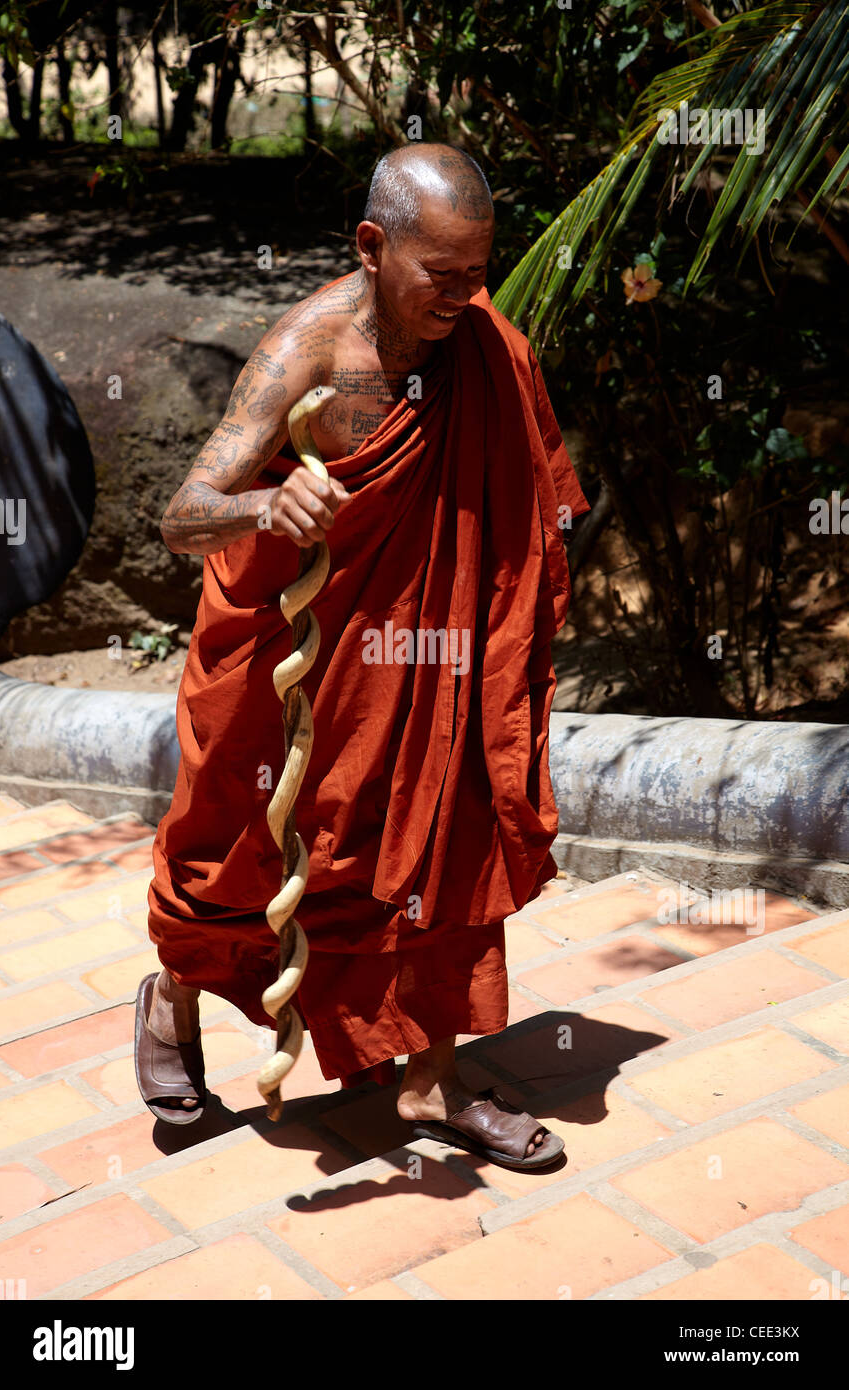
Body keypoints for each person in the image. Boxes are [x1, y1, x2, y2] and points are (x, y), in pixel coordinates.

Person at [134, 142, 588, 1171]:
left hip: (423, 664)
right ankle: (173, 996)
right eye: (441, 274)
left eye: (480, 272)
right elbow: (183, 515)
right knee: (234, 855)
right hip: (286, 671)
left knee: (440, 830)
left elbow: (522, 508)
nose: (464, 297)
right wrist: (265, 501)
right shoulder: (307, 348)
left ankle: (430, 1082)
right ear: (372, 246)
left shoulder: (487, 349)